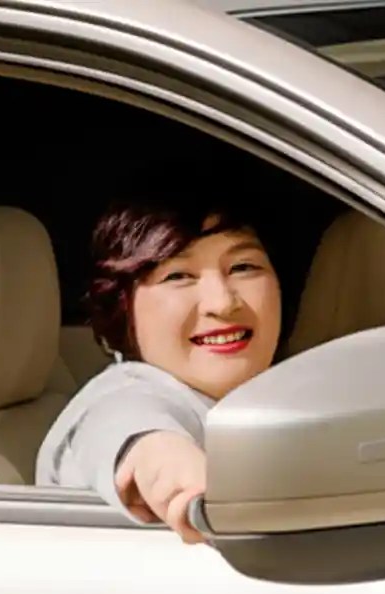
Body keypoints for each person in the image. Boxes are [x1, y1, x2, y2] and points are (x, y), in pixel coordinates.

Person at [35, 191, 283, 543]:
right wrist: (179, 477)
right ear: (123, 304)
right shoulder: (122, 395)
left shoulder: (276, 397)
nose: (222, 303)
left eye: (243, 267)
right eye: (178, 275)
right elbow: (135, 436)